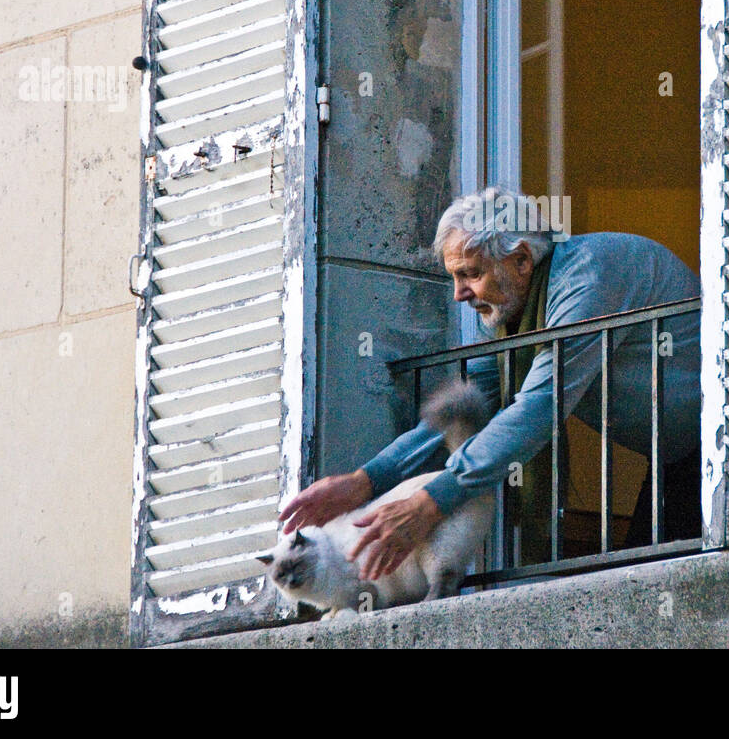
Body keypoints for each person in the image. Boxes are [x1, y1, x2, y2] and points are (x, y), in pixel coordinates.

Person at [278, 187, 702, 582]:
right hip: (672, 458)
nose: (460, 294)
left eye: (471, 274)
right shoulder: (514, 310)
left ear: (521, 261)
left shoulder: (587, 279)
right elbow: (461, 408)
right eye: (455, 277)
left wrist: (429, 503)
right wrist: (365, 481)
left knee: (656, 583)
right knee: (644, 577)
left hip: (718, 451)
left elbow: (537, 407)